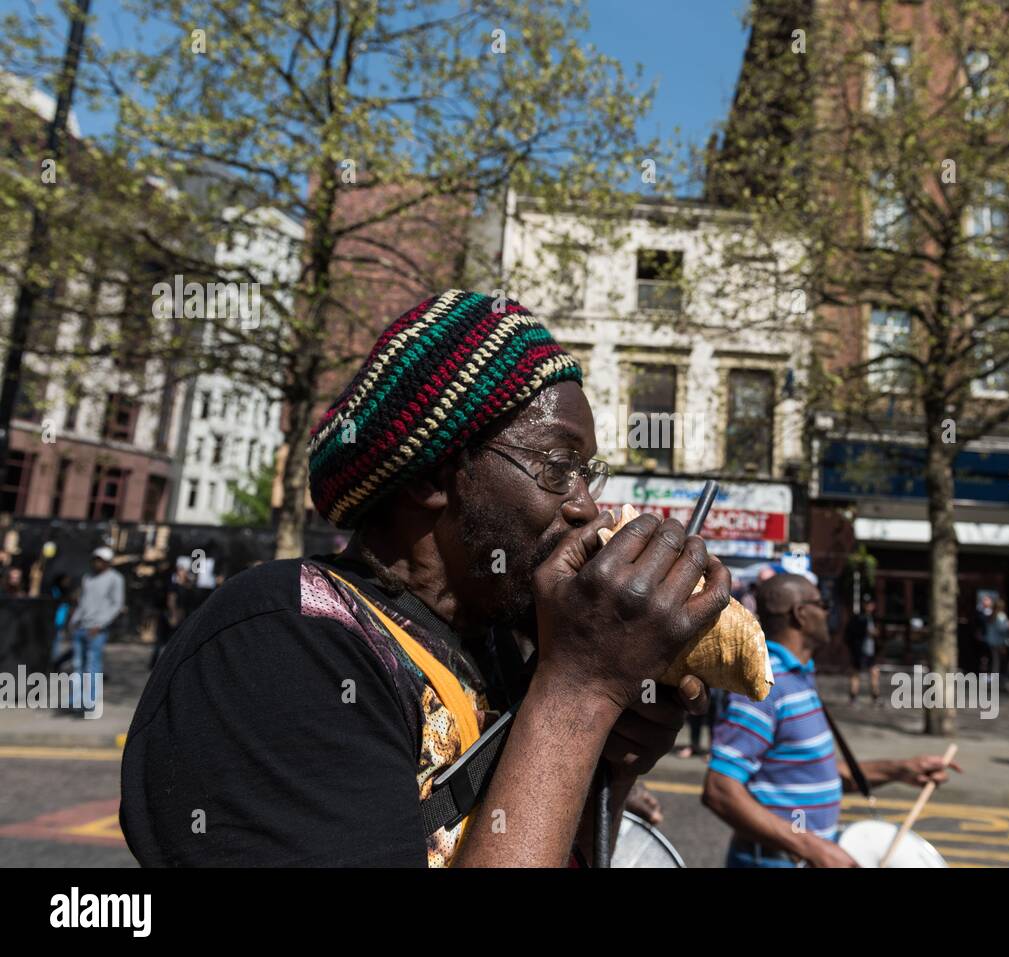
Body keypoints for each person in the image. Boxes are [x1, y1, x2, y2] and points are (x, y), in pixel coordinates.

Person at [121, 290, 731, 867]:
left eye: (586, 474)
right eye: (557, 466)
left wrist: (603, 765)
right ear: (430, 476)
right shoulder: (283, 641)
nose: (586, 508)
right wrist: (579, 691)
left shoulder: (490, 645)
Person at [702, 573, 958, 868]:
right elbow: (720, 789)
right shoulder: (765, 685)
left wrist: (900, 770)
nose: (828, 613)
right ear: (801, 614)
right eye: (822, 604)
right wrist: (811, 847)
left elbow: (810, 774)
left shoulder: (798, 676)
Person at [64, 547, 125, 716]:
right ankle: (75, 701)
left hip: (97, 630)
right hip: (81, 627)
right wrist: (74, 622)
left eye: (101, 560)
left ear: (108, 562)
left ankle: (89, 702)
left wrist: (100, 624)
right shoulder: (88, 578)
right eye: (95, 559)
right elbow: (82, 602)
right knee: (77, 666)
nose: (97, 563)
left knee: (92, 666)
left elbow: (117, 605)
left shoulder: (115, 579)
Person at [150, 563, 197, 668]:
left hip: (181, 617)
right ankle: (158, 664)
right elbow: (171, 600)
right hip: (170, 616)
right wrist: (174, 615)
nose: (184, 573)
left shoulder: (187, 587)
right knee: (164, 642)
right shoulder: (174, 586)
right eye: (182, 570)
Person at [844, 595, 880, 707]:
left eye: (871, 604)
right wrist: (866, 632)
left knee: (874, 673)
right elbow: (850, 635)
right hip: (859, 652)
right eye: (867, 604)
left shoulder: (873, 618)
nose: (869, 606)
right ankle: (853, 698)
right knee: (855, 674)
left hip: (870, 651)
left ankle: (875, 698)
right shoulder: (858, 618)